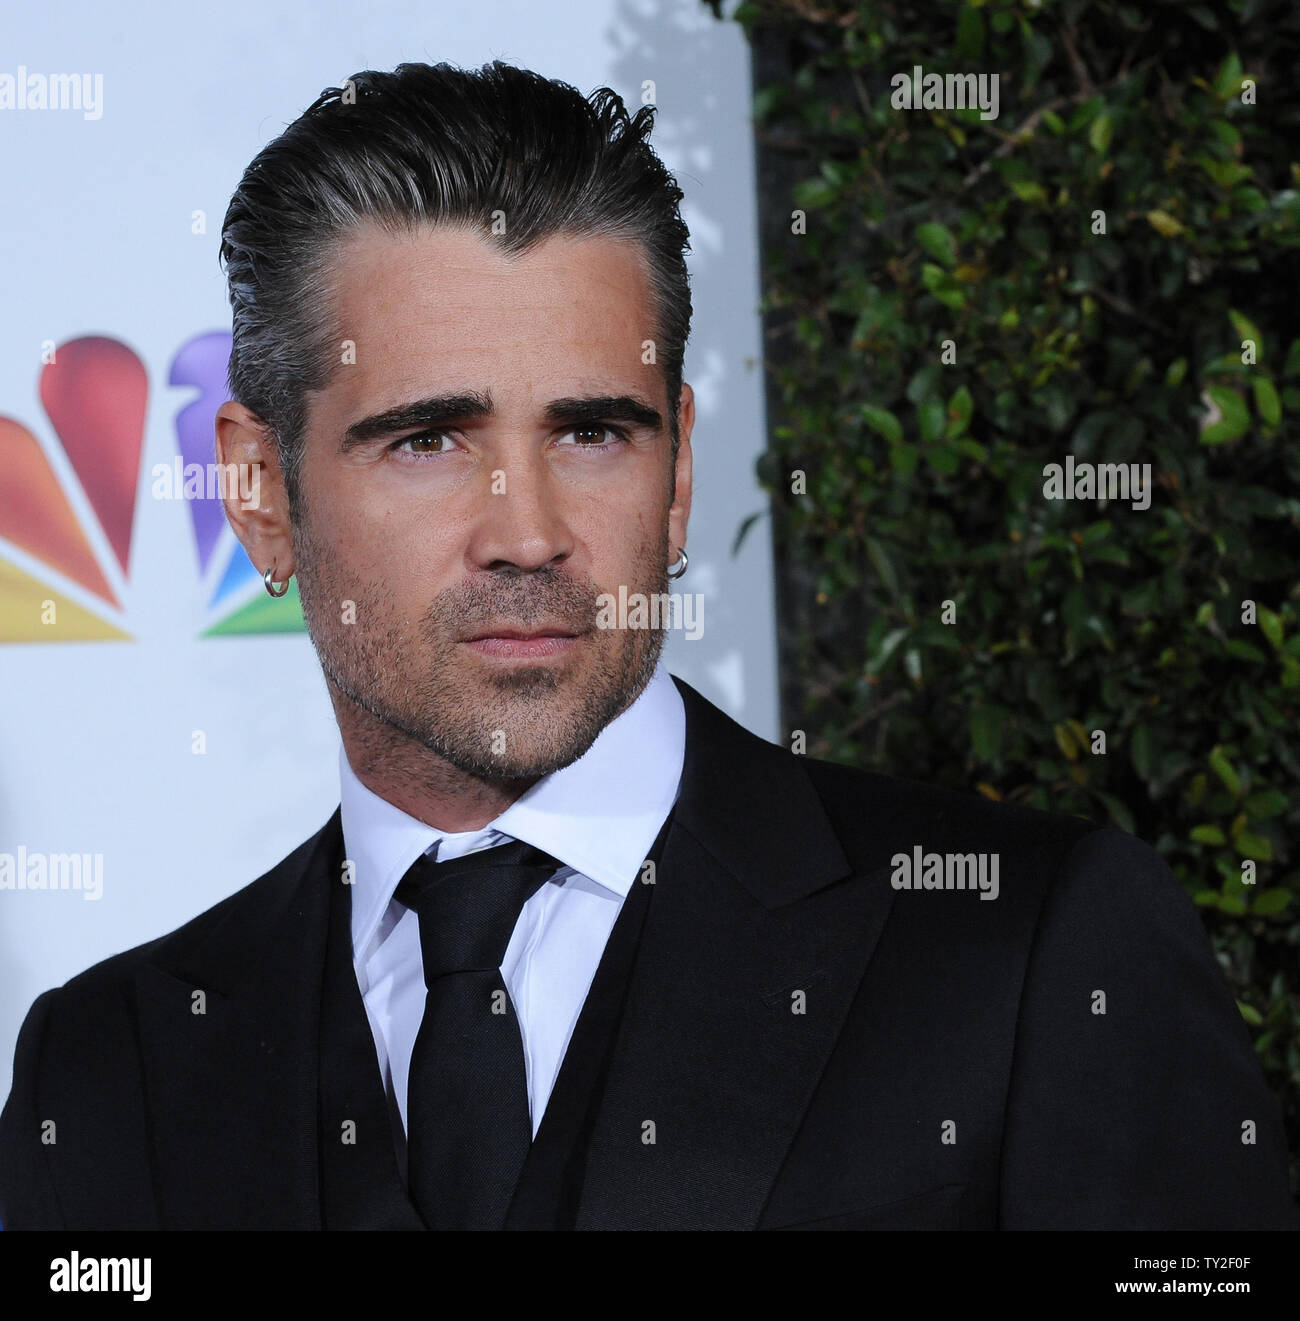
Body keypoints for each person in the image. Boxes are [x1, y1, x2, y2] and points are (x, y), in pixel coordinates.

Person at [0, 60, 1294, 1231]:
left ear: (677, 481)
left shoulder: (1026, 949)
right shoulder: (112, 1063)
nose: (528, 534)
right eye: (429, 439)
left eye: (592, 433)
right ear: (259, 494)